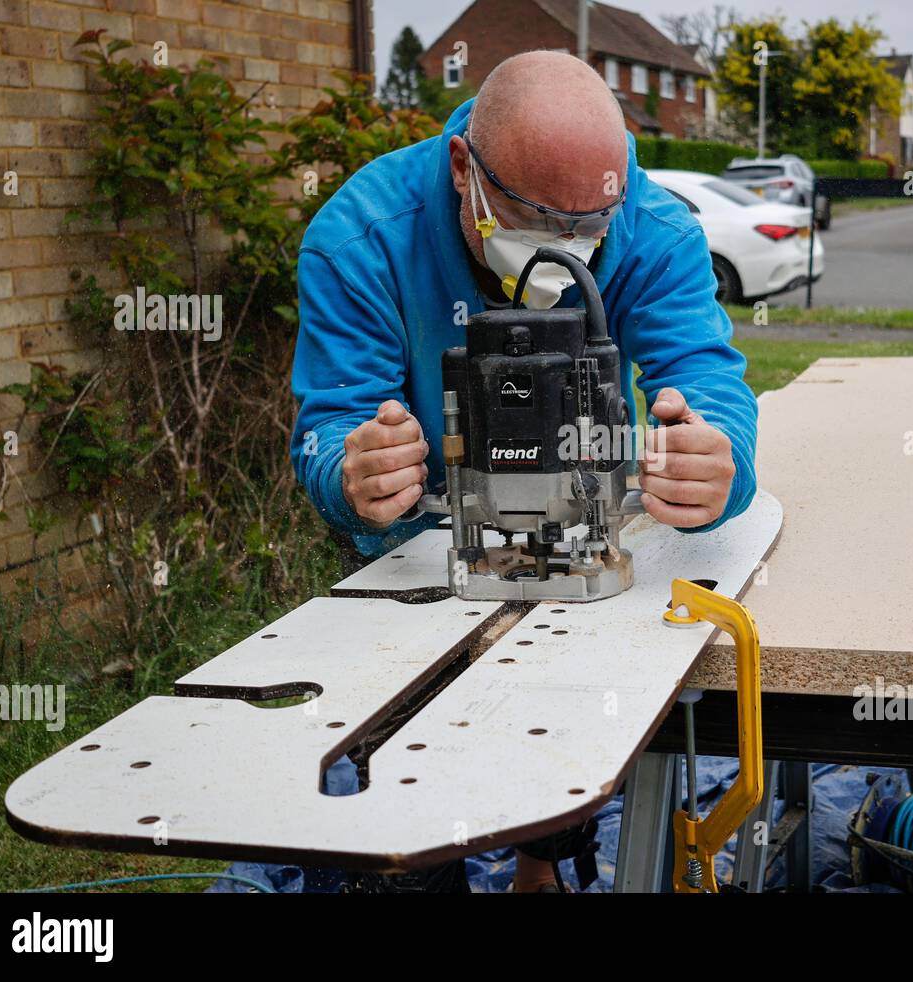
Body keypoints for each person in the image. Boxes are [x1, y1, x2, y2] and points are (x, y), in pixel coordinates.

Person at [290, 50, 758, 892]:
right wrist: (353, 476)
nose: (572, 246)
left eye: (591, 227)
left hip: (578, 537)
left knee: (565, 746)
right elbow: (328, 428)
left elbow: (711, 380)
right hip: (416, 560)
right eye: (545, 218)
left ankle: (541, 868)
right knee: (403, 811)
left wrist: (716, 459)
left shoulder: (653, 226)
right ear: (466, 164)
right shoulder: (360, 236)